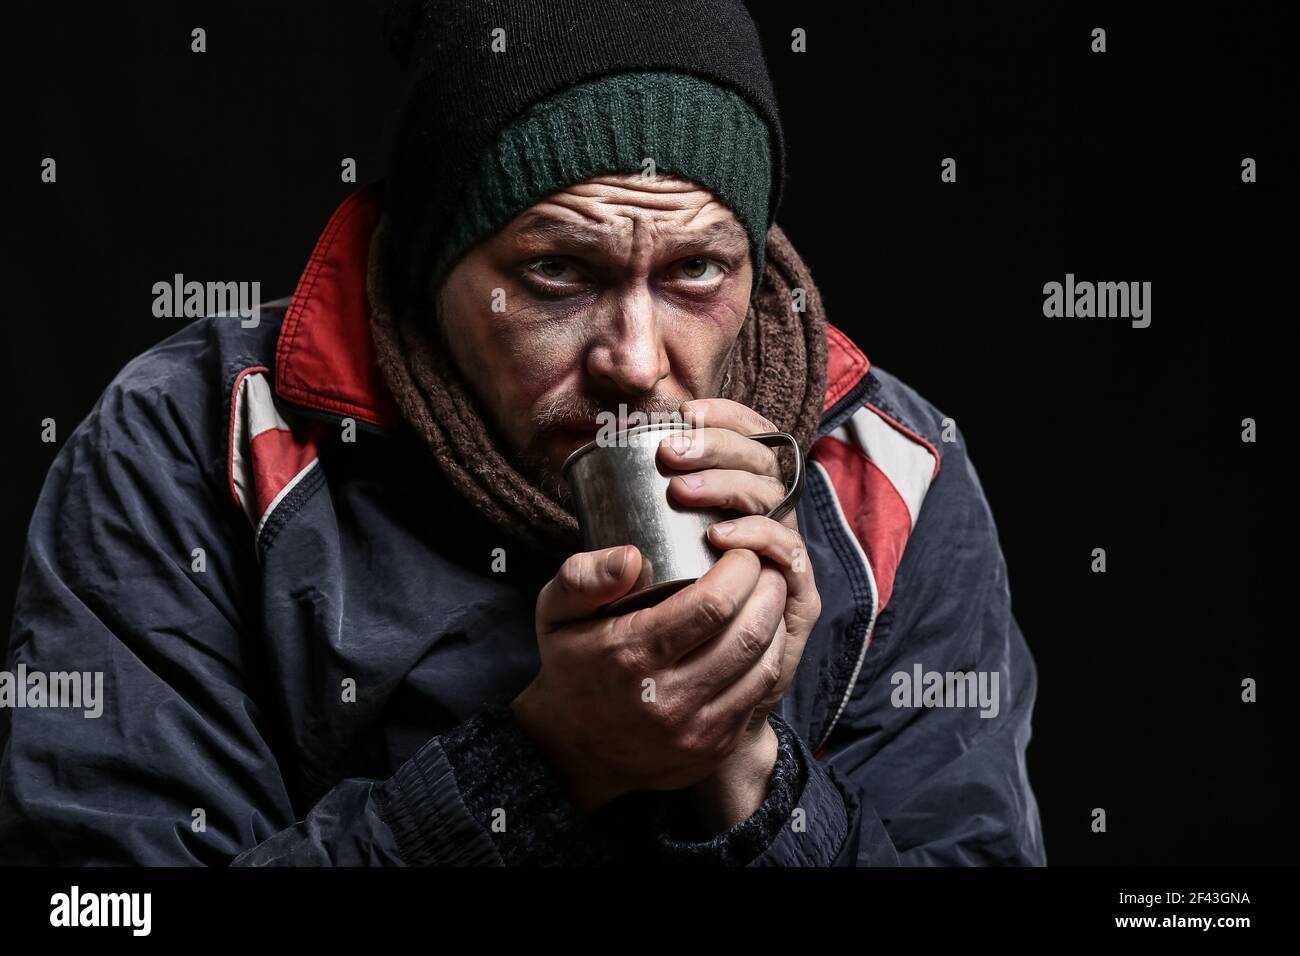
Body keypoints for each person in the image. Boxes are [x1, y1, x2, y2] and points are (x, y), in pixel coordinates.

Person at [0, 0, 1045, 866]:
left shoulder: (886, 478)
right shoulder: (194, 442)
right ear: (428, 260)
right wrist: (547, 760)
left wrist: (744, 770)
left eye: (696, 271)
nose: (636, 358)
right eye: (556, 272)